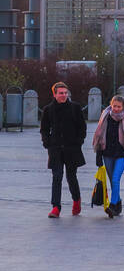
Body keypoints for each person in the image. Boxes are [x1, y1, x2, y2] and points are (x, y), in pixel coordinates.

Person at [41, 81, 87, 218]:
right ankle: (56, 207)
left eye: (65, 93)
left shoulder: (75, 108)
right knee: (57, 177)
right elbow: (44, 129)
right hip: (55, 149)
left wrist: (79, 142)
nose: (63, 95)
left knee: (71, 177)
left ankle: (76, 200)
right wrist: (47, 143)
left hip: (72, 149)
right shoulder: (48, 109)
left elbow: (82, 127)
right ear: (54, 94)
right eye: (61, 93)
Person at [92, 95, 124, 218]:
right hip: (107, 153)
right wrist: (98, 156)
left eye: (119, 106)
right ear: (111, 105)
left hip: (121, 153)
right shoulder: (105, 117)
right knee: (113, 182)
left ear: (123, 106)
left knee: (115, 179)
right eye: (114, 106)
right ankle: (118, 204)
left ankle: (112, 205)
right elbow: (99, 137)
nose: (116, 109)